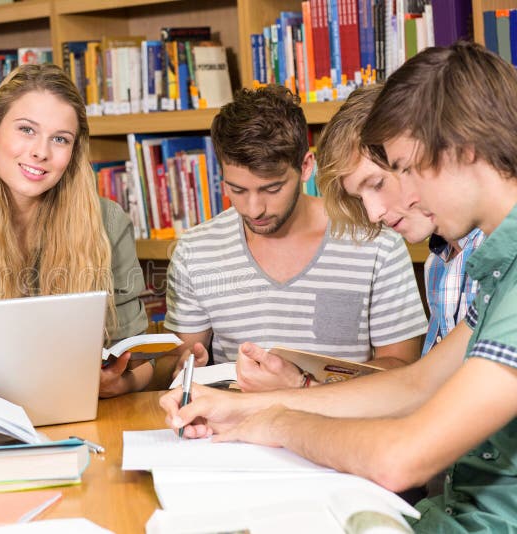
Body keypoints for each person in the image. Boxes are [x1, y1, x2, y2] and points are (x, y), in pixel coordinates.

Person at [161, 41, 517, 532]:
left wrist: (277, 423)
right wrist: (238, 407)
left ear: (463, 150)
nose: (398, 200)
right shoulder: (500, 271)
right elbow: (416, 384)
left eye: (406, 170)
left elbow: (400, 458)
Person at [161, 84, 426, 390]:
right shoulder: (196, 251)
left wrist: (300, 386)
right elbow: (182, 362)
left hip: (340, 426)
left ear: (305, 167)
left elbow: (401, 369)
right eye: (237, 189)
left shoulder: (376, 241)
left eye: (271, 189)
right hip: (233, 428)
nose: (254, 208)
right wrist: (181, 364)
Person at [0, 64, 149, 398]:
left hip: (80, 416)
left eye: (60, 139)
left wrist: (115, 384)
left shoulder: (107, 223)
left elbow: (140, 362)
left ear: (74, 152)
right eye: (26, 129)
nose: (41, 152)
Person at [316, 83, 484, 356]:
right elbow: (431, 383)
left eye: (378, 184)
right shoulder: (437, 265)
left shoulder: (496, 254)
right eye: (360, 198)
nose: (373, 214)